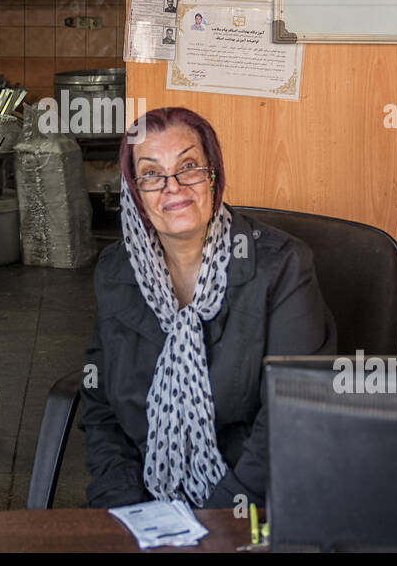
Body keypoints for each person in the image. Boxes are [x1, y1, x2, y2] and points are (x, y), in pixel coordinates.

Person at [81, 107, 336, 509]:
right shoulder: (117, 271)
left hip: (257, 499)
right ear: (134, 192)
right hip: (145, 499)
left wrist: (217, 517)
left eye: (189, 167)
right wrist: (124, 506)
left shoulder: (281, 266)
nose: (173, 187)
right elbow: (101, 407)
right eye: (151, 174)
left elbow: (294, 414)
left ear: (213, 176)